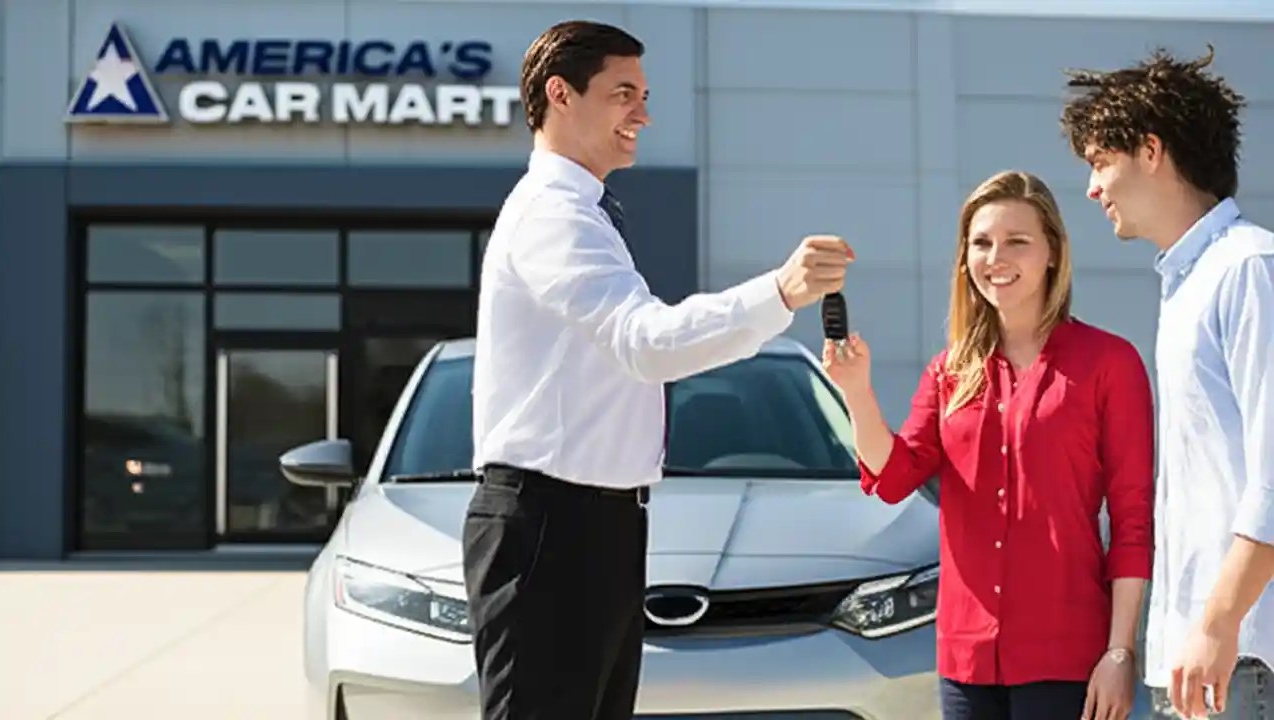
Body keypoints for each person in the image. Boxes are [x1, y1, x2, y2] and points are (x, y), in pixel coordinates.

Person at [463, 19, 853, 720]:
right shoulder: (554, 216)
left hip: (591, 526)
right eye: (623, 94)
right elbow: (647, 343)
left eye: (643, 94)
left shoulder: (582, 213)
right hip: (552, 529)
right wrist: (782, 292)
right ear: (561, 94)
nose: (643, 113)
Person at [822, 170, 1155, 720]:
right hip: (967, 660)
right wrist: (857, 393)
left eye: (1016, 241)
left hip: (1066, 655)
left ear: (1053, 253)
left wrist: (1121, 650)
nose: (995, 257)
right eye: (981, 243)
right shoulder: (949, 372)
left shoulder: (1110, 365)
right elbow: (896, 477)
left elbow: (1132, 519)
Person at [1060, 46, 1274, 719]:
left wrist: (1217, 622)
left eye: (1100, 163)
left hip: (1241, 655)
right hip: (1197, 657)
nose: (1092, 189)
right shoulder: (1188, 283)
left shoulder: (1250, 268)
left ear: (1150, 150)